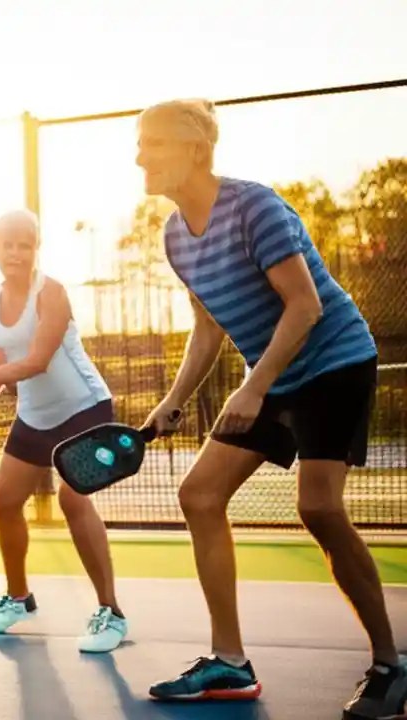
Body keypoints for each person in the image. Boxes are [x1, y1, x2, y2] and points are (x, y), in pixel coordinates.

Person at [135, 98, 405, 717]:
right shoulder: (174, 235)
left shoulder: (253, 206)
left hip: (334, 360)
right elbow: (207, 328)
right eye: (140, 144)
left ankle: (391, 665)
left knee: (319, 507)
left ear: (195, 149)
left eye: (153, 143)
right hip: (273, 373)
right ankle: (229, 662)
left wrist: (254, 386)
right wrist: (174, 401)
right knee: (199, 495)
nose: (140, 157)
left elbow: (305, 306)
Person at [0, 209, 129, 654]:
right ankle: (18, 598)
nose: (15, 252)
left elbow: (38, 361)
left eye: (24, 244)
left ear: (36, 248)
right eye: (7, 244)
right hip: (36, 414)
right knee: (4, 500)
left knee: (73, 499)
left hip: (84, 407)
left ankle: (111, 612)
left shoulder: (52, 293)